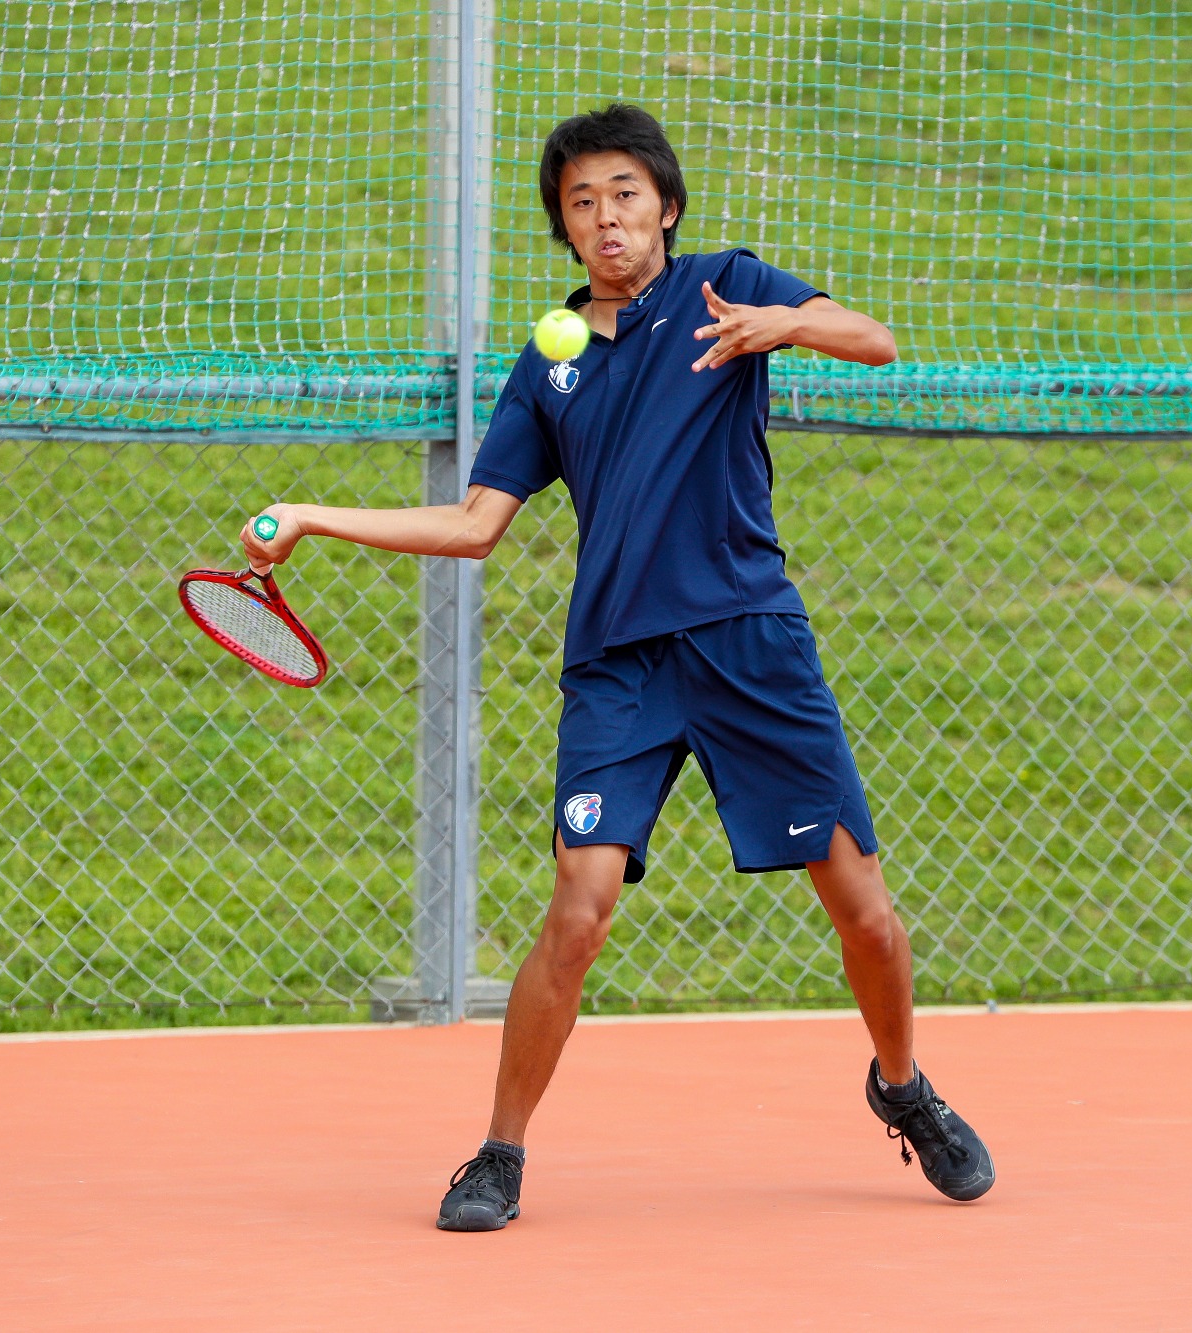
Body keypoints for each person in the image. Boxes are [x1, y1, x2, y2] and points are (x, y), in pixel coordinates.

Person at [241, 103, 994, 1231]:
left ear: (666, 207)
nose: (605, 217)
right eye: (581, 201)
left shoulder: (725, 286)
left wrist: (777, 327)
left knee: (865, 914)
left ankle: (900, 1085)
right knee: (579, 902)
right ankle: (497, 1152)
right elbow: (472, 522)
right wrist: (311, 514)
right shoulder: (548, 369)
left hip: (750, 643)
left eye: (624, 194)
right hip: (620, 667)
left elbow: (874, 338)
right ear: (563, 225)